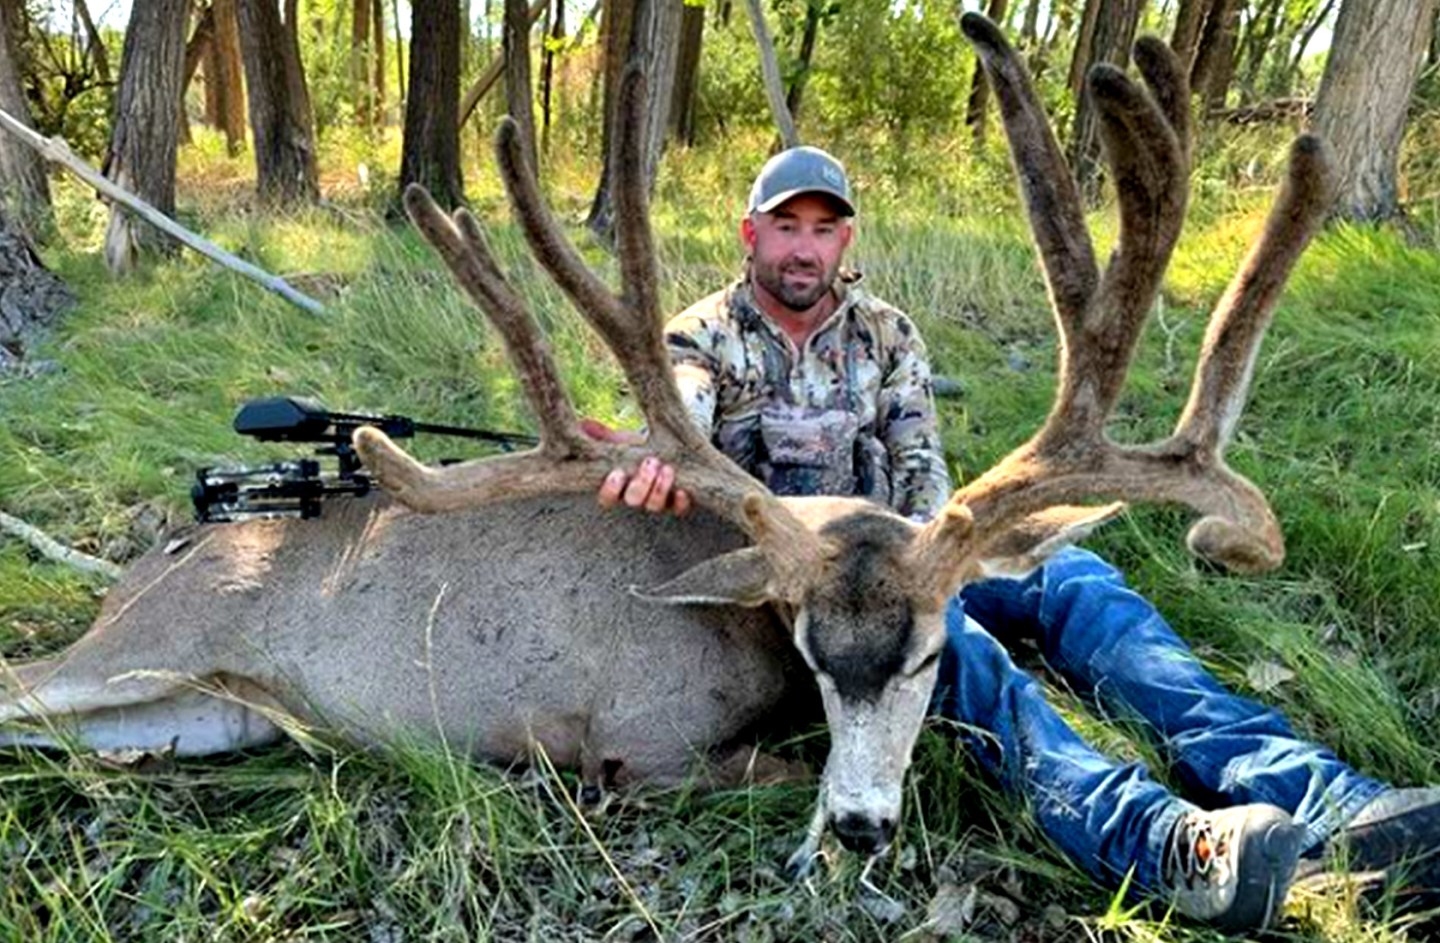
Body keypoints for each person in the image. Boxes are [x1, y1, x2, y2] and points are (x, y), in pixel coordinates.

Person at [586, 146, 1440, 932]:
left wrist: (938, 560)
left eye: (822, 229)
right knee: (964, 652)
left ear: (845, 237)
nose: (803, 250)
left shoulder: (887, 334)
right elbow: (682, 411)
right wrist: (651, 455)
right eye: (785, 228)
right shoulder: (701, 336)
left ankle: (1322, 792)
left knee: (1080, 584)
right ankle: (1158, 843)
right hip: (811, 601)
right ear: (751, 233)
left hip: (909, 551)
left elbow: (921, 465)